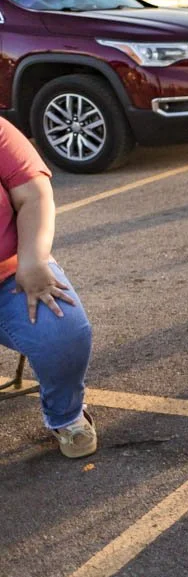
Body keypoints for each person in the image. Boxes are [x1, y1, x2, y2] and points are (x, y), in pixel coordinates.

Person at [0, 120, 95, 458]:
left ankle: (65, 415)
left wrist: (33, 260)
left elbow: (34, 195)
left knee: (63, 334)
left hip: (10, 273)